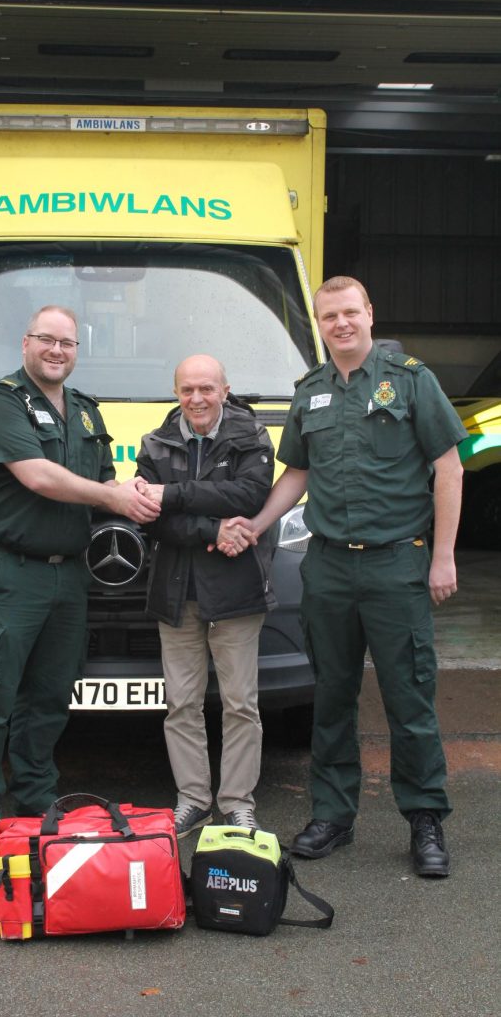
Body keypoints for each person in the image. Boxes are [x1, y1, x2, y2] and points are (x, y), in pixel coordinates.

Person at [220, 276, 467, 877]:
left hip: (396, 562)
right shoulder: (310, 392)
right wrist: (255, 524)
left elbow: (449, 468)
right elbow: (296, 475)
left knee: (409, 698)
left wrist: (442, 555)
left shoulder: (411, 380)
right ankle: (333, 815)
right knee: (331, 696)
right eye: (330, 316)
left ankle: (425, 820)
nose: (342, 324)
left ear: (370, 315)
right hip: (328, 566)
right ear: (319, 324)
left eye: (350, 313)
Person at [0, 305, 160, 827]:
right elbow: (40, 477)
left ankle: (35, 804)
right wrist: (114, 500)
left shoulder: (87, 413)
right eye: (47, 340)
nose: (56, 351)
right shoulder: (0, 403)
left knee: (49, 698)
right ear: (25, 343)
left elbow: (104, 485)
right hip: (10, 572)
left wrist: (131, 491)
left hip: (69, 576)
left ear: (76, 352)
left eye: (67, 344)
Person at [136, 354, 275, 837]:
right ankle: (193, 800)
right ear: (176, 393)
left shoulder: (251, 436)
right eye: (187, 390)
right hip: (176, 593)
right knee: (181, 704)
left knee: (241, 704)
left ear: (224, 389)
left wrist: (172, 494)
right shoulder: (154, 443)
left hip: (235, 591)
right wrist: (215, 526)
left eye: (206, 389)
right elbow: (152, 520)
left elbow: (251, 497)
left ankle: (237, 802)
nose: (197, 399)